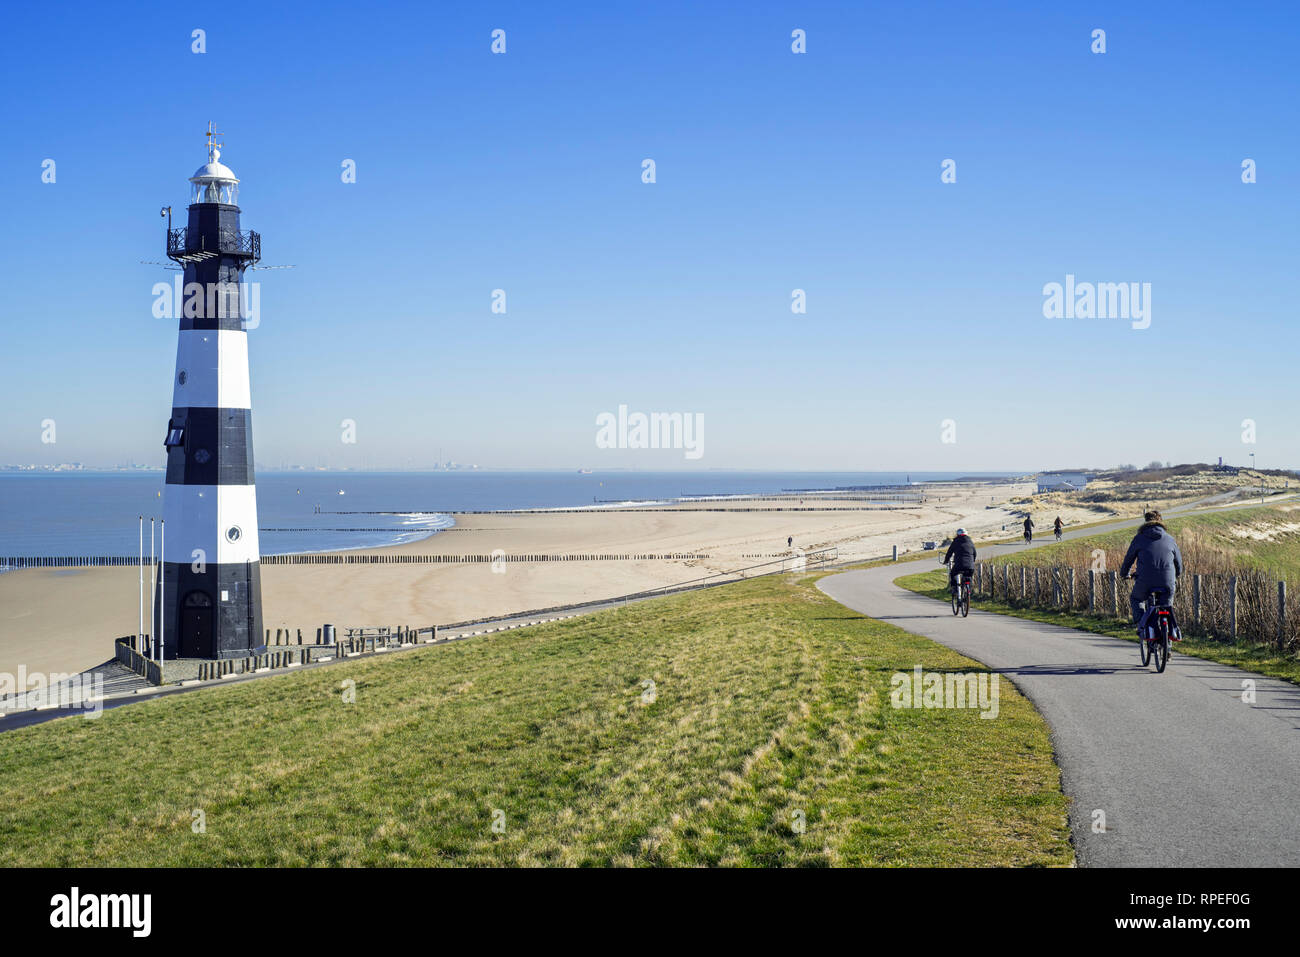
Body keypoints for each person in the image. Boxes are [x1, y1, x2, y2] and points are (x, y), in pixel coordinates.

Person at [1120, 509, 1184, 625]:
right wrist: (1177, 574)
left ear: (1145, 522)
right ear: (1161, 521)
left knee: (1136, 598)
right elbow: (1178, 562)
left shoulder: (1139, 538)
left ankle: (1142, 623)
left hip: (1145, 580)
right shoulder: (1170, 539)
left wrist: (1125, 574)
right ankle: (1167, 632)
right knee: (1166, 605)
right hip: (1167, 580)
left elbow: (1129, 559)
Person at [943, 528, 977, 594]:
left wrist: (946, 561)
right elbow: (974, 553)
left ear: (957, 534)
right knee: (968, 577)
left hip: (959, 564)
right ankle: (968, 591)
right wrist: (972, 561)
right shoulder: (970, 541)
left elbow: (949, 552)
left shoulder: (956, 541)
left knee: (953, 574)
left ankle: (955, 589)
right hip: (970, 565)